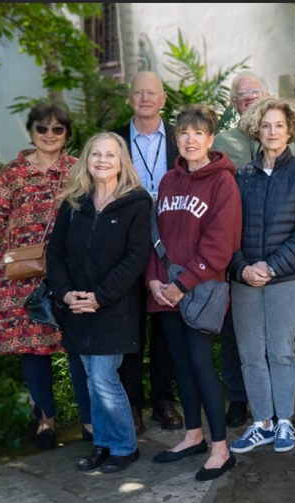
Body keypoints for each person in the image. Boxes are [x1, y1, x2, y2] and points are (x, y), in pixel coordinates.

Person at [46, 132, 152, 473]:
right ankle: (103, 445)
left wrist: (101, 297)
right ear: (86, 161)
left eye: (110, 155)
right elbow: (56, 253)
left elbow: (136, 257)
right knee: (92, 380)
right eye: (96, 154)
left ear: (122, 161)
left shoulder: (137, 202)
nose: (102, 160)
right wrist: (65, 293)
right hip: (76, 306)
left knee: (105, 379)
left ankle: (124, 446)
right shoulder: (74, 201)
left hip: (115, 307)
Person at [146, 104, 241, 481]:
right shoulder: (169, 181)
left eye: (197, 133)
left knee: (202, 365)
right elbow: (154, 238)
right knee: (179, 366)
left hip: (200, 291)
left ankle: (221, 447)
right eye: (184, 132)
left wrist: (181, 285)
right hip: (165, 292)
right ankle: (194, 435)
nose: (190, 139)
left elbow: (221, 246)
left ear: (210, 139)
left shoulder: (223, 183)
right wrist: (154, 280)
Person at [228, 97, 295, 454]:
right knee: (251, 353)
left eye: (278, 126)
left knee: (281, 351)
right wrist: (241, 267)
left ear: (290, 130)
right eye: (266, 125)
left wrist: (271, 266)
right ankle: (261, 423)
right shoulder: (242, 176)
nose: (272, 132)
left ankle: (284, 421)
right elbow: (228, 230)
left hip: (286, 279)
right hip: (245, 280)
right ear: (256, 129)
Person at [212, 71, 295, 428]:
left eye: (255, 91)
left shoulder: (289, 145)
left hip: (281, 259)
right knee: (237, 335)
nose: (248, 96)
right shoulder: (222, 139)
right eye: (242, 93)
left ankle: (280, 409)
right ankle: (238, 398)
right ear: (233, 102)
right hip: (239, 253)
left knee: (278, 342)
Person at [0, 103, 78, 450]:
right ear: (31, 132)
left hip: (68, 272)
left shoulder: (77, 171)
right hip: (20, 274)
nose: (50, 135)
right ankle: (46, 418)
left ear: (67, 134)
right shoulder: (12, 173)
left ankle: (88, 418)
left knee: (75, 344)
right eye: (43, 129)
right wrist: (28, 247)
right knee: (34, 349)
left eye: (58, 130)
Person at [110, 71, 183, 434]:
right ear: (130, 98)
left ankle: (164, 401)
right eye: (138, 92)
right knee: (130, 323)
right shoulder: (115, 140)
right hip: (126, 241)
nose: (145, 98)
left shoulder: (178, 138)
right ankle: (133, 403)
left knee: (166, 324)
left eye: (151, 93)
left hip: (169, 242)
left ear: (163, 98)